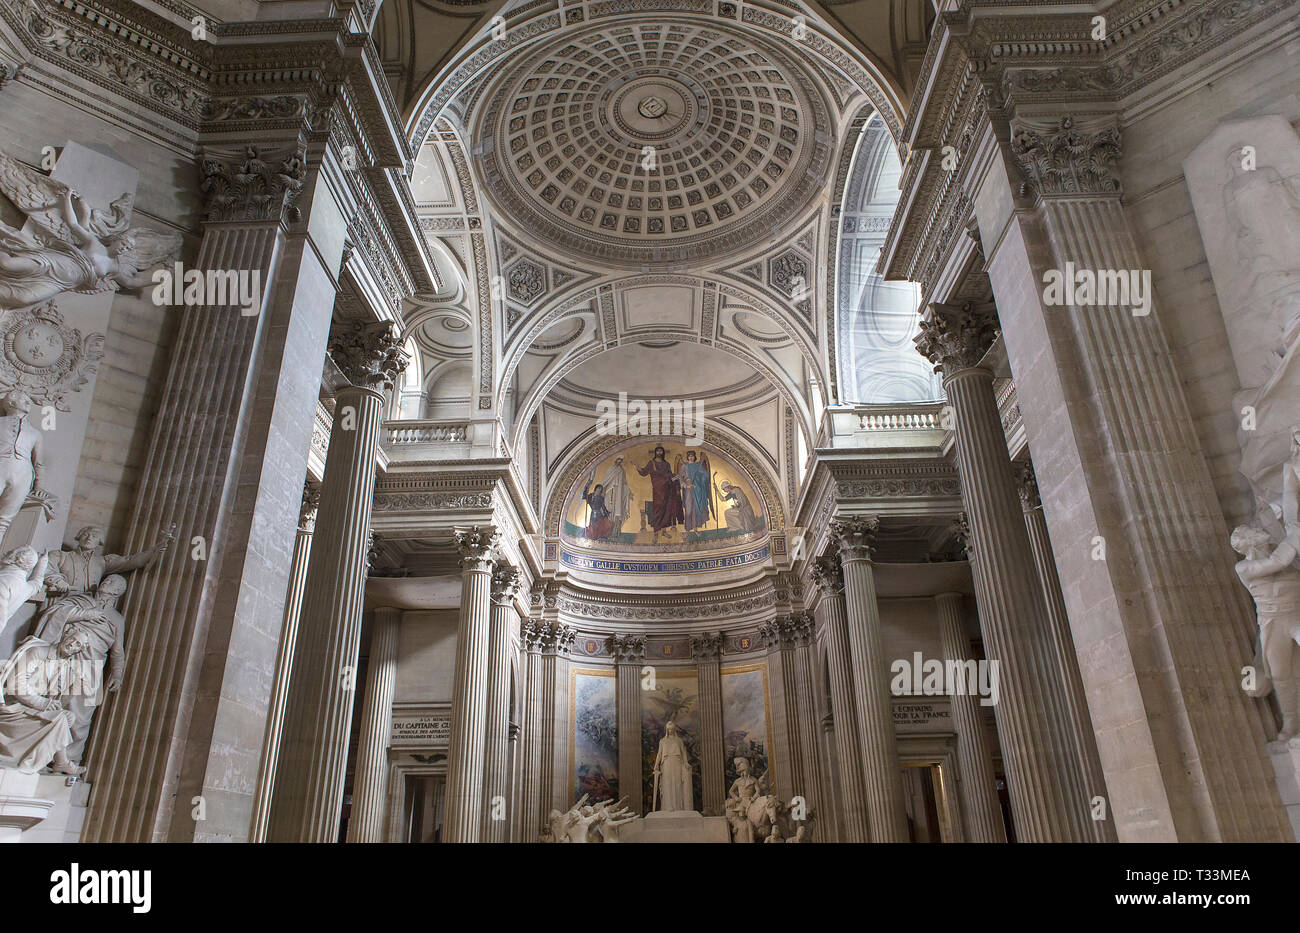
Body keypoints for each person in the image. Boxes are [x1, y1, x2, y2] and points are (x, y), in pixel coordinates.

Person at [33, 574, 128, 762]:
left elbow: (117, 652)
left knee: (80, 718)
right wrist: (84, 615)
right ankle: (39, 754)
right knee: (52, 706)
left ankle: (67, 760)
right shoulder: (80, 601)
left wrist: (117, 675)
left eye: (111, 582)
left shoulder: (117, 619)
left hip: (90, 669)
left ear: (117, 592)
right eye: (105, 579)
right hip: (64, 661)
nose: (104, 582)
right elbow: (54, 614)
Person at [1231, 524, 1300, 743]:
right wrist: (1294, 534)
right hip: (1273, 624)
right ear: (1247, 541)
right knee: (1280, 675)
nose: (1260, 531)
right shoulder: (1244, 567)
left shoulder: (1288, 561)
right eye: (1253, 531)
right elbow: (1276, 562)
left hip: (1296, 617)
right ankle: (1291, 722)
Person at [0, 625, 92, 775]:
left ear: (78, 651)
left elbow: (55, 696)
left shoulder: (64, 666)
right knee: (60, 719)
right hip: (13, 706)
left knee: (69, 716)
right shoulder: (37, 652)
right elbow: (15, 685)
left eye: (78, 645)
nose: (72, 645)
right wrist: (43, 703)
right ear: (65, 635)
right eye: (73, 639)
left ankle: (55, 760)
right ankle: (61, 762)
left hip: (29, 709)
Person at [44, 523, 172, 598]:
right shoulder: (60, 556)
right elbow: (46, 568)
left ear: (99, 542)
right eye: (85, 535)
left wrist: (154, 550)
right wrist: (58, 581)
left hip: (87, 603)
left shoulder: (102, 562)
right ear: (78, 537)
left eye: (94, 536)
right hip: (61, 599)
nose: (89, 538)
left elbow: (131, 561)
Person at [0, 390, 55, 541]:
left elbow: (39, 463)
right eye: (23, 399)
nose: (28, 402)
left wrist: (39, 486)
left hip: (22, 474)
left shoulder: (35, 433)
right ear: (11, 403)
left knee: (3, 521)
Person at [637, 446, 684, 542]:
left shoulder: (666, 464)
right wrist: (638, 468)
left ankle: (664, 531)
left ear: (663, 452)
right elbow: (644, 472)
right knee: (657, 512)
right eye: (658, 450)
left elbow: (670, 475)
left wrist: (676, 477)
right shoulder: (652, 463)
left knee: (667, 511)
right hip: (658, 491)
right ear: (655, 452)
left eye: (661, 450)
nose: (659, 452)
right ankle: (655, 534)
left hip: (667, 490)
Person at [0, 545, 47, 631]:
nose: (5, 553)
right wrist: (42, 563)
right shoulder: (24, 587)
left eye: (10, 552)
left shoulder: (3, 582)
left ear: (18, 559)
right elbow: (37, 583)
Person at [652, 720, 693, 812]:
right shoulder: (662, 741)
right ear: (666, 730)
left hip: (677, 763)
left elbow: (683, 752)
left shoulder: (679, 741)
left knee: (677, 784)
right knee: (667, 784)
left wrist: (685, 762)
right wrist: (656, 765)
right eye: (668, 729)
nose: (670, 731)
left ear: (674, 730)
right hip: (666, 764)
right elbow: (659, 754)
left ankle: (678, 806)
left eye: (672, 729)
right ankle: (667, 806)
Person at [675, 451, 712, 538]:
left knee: (695, 510)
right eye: (689, 456)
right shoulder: (685, 466)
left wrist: (705, 476)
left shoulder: (698, 465)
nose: (691, 457)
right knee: (688, 510)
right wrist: (685, 485)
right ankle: (687, 530)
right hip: (688, 490)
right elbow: (680, 477)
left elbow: (705, 475)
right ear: (687, 457)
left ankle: (695, 529)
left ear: (694, 457)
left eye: (692, 456)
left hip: (697, 489)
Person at [598, 456, 634, 537]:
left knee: (618, 512)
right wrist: (601, 490)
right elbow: (605, 481)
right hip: (610, 492)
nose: (619, 461)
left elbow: (624, 483)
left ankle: (615, 532)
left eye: (621, 460)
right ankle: (606, 532)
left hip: (619, 495)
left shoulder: (622, 471)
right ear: (615, 460)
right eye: (618, 460)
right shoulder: (611, 469)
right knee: (608, 510)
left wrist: (628, 492)